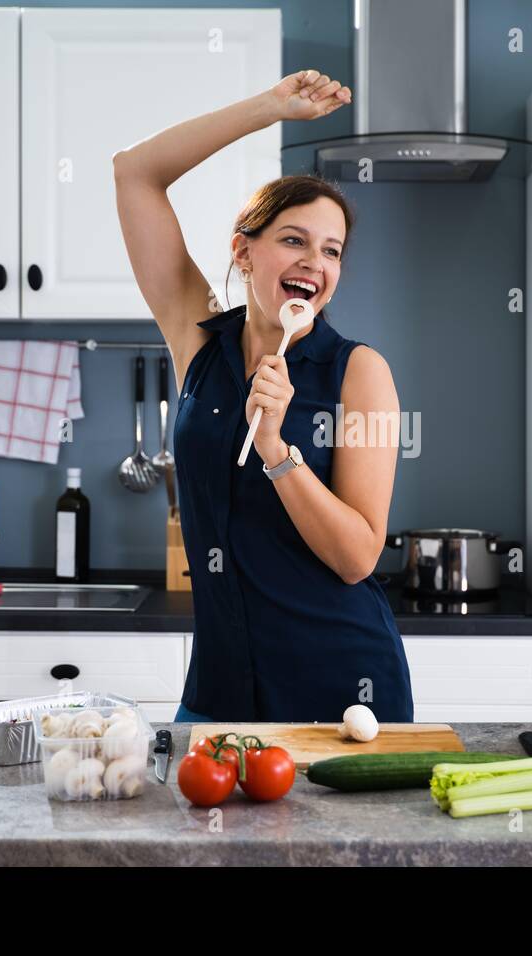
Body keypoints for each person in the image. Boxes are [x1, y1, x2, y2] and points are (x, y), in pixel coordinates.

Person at [113, 70, 414, 723]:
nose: (316, 262)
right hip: (218, 695)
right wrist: (269, 109)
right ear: (243, 253)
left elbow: (358, 555)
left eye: (331, 250)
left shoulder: (359, 373)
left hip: (340, 697)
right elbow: (135, 172)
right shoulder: (199, 343)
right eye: (293, 240)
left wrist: (278, 451)